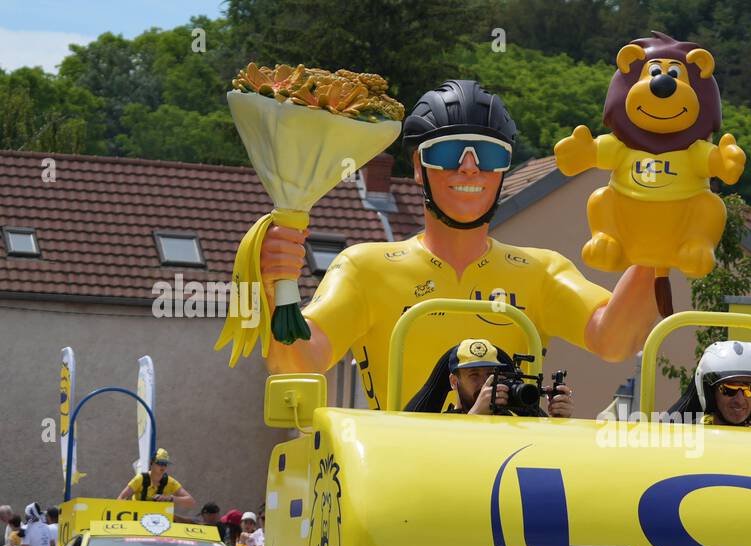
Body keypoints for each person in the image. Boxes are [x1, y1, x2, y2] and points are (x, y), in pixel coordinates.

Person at [261, 79, 661, 410]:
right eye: (450, 152)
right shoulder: (364, 268)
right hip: (398, 472)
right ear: (419, 167)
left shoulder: (541, 271)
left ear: (504, 169)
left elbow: (613, 340)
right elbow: (298, 363)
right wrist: (276, 283)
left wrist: (653, 249)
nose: (469, 166)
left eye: (488, 154)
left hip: (507, 473)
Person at [404, 338, 573, 417]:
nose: (485, 382)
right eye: (474, 375)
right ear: (454, 382)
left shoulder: (512, 421)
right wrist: (476, 414)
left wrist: (557, 422)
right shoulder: (441, 424)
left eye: (491, 374)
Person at [665, 340, 751, 428]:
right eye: (729, 389)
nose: (740, 400)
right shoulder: (690, 438)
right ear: (710, 394)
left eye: (749, 389)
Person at [117, 448, 196, 512]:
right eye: (160, 463)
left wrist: (169, 498)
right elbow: (120, 498)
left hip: (158, 522)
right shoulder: (140, 479)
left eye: (165, 464)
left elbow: (191, 502)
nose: (163, 467)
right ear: (152, 463)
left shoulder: (170, 482)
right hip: (137, 519)